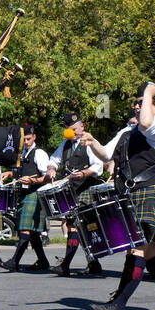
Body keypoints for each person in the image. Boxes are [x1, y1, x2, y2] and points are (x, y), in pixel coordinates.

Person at [83, 81, 155, 310]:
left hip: (152, 193)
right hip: (132, 196)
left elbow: (145, 123)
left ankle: (118, 305)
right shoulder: (126, 133)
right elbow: (106, 155)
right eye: (136, 102)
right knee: (150, 252)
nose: (136, 106)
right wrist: (92, 143)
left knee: (137, 250)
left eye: (142, 103)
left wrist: (150, 91)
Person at [47, 112, 105, 277]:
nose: (72, 133)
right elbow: (54, 159)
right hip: (71, 191)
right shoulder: (65, 145)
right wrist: (51, 169)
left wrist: (84, 173)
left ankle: (69, 264)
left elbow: (98, 166)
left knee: (80, 227)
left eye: (74, 129)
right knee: (77, 227)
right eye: (69, 130)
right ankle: (92, 263)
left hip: (86, 189)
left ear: (82, 127)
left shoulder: (90, 143)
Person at [0, 123, 50, 271]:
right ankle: (43, 262)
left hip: (35, 193)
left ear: (34, 137)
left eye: (28, 139)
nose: (26, 142)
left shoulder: (40, 154)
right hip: (23, 193)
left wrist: (33, 180)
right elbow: (20, 173)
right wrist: (10, 174)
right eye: (24, 140)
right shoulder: (21, 153)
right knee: (32, 232)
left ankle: (14, 262)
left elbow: (48, 177)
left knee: (25, 229)